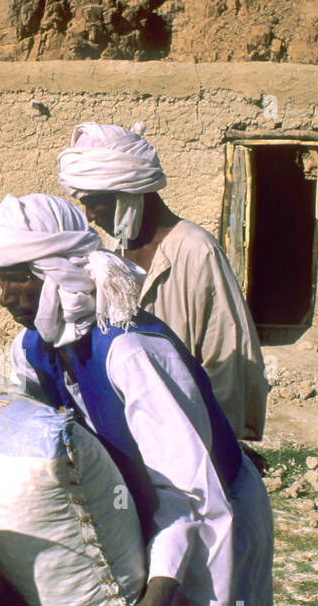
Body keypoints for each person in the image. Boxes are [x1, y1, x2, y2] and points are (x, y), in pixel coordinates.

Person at [0, 193, 277, 606]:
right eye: (0, 284)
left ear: (55, 275)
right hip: (147, 513)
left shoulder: (134, 353)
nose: (6, 299)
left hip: (215, 516)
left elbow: (188, 494)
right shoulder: (33, 348)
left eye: (18, 285)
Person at [57, 122, 269, 441]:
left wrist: (222, 448)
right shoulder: (115, 252)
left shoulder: (197, 251)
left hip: (191, 436)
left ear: (127, 193)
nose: (89, 215)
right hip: (137, 430)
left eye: (93, 201)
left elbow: (228, 362)